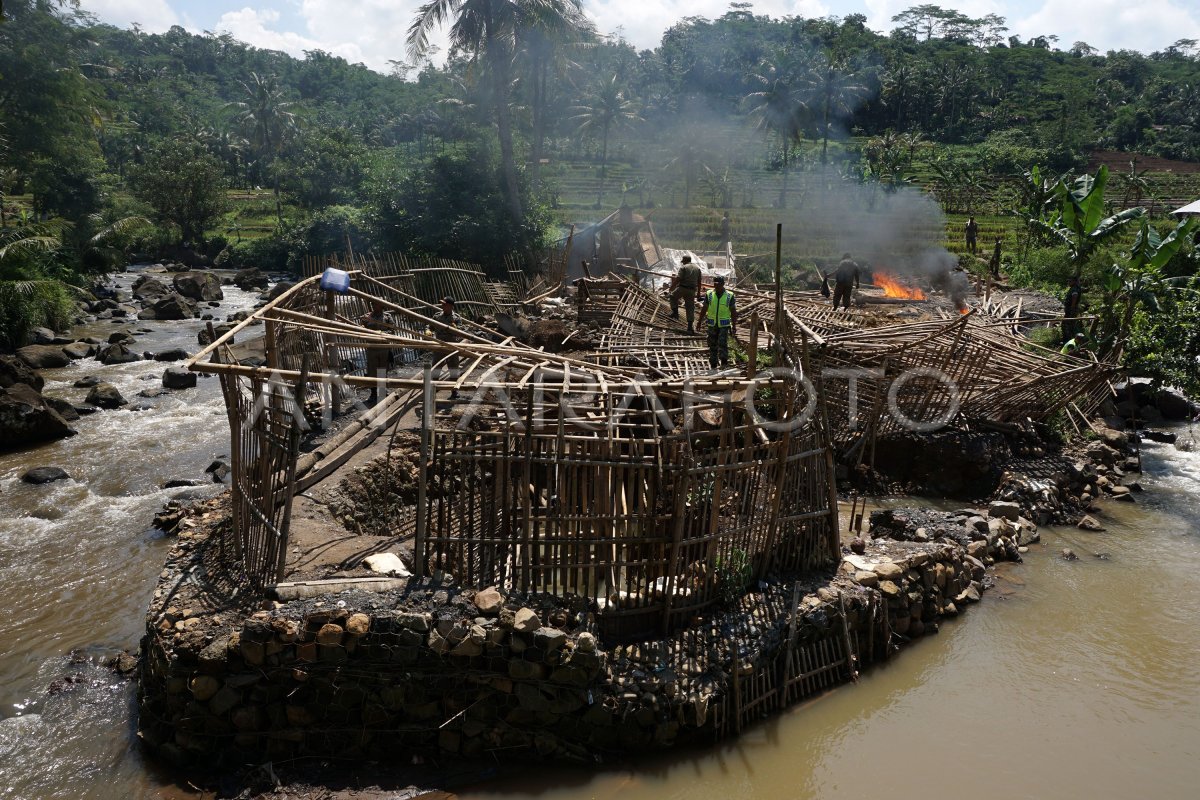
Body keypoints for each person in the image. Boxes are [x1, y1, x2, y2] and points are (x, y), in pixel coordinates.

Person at [700, 275, 737, 370]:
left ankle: (724, 362)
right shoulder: (709, 294)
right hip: (712, 323)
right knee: (712, 344)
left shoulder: (730, 295)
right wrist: (699, 321)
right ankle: (713, 364)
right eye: (715, 284)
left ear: (723, 284)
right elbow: (704, 308)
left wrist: (734, 326)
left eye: (719, 284)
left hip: (724, 324)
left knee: (722, 343)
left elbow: (733, 311)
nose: (716, 286)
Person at [360, 299, 391, 404]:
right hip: (371, 348)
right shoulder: (367, 316)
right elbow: (360, 329)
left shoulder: (387, 317)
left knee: (382, 369)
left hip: (383, 347)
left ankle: (383, 390)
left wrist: (382, 332)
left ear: (381, 306)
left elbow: (393, 330)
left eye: (376, 304)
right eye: (373, 304)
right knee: (372, 371)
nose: (374, 306)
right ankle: (373, 393)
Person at [434, 296, 462, 400]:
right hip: (439, 346)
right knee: (436, 368)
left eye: (444, 304)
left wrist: (457, 329)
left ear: (450, 306)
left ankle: (454, 391)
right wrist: (428, 330)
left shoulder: (456, 318)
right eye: (442, 304)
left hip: (452, 346)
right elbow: (430, 326)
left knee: (453, 369)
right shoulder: (437, 316)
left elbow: (462, 331)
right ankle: (433, 389)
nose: (442, 306)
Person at [669, 255, 703, 333]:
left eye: (683, 261)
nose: (682, 263)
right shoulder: (697, 268)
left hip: (683, 288)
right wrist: (698, 293)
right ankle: (690, 327)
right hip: (692, 291)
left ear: (684, 261)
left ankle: (675, 313)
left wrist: (672, 287)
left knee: (672, 296)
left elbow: (678, 278)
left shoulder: (683, 267)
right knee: (690, 307)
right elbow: (699, 282)